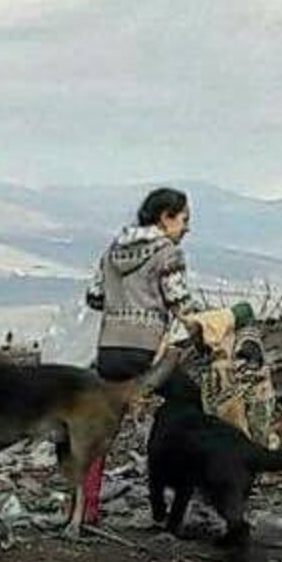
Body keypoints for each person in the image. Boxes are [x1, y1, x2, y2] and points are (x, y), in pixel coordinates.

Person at [81, 186, 194, 524]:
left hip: (109, 351)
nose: (187, 228)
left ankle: (85, 507)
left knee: (102, 429)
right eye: (184, 220)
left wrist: (123, 303)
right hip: (144, 352)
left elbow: (94, 298)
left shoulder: (113, 250)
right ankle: (170, 496)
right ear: (165, 218)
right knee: (188, 400)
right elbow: (181, 305)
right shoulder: (168, 253)